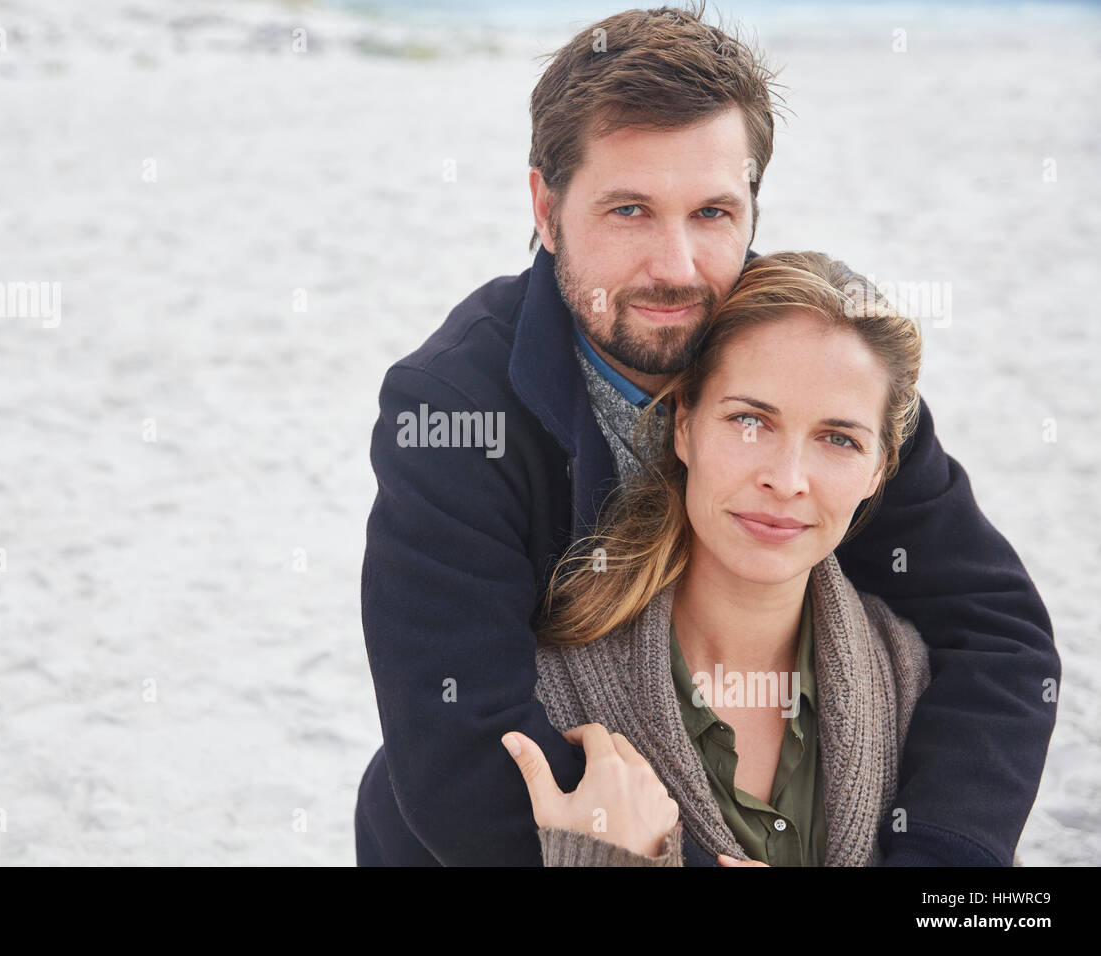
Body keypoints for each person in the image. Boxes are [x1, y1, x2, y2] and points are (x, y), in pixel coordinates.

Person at [354, 4, 1058, 867]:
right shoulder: (452, 409)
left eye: (713, 214)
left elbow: (998, 637)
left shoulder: (818, 363)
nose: (678, 267)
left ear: (753, 208)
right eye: (629, 211)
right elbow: (463, 748)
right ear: (546, 206)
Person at [508, 251, 934, 866]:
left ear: (879, 469)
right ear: (684, 425)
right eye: (749, 421)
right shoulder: (545, 695)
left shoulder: (915, 684)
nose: (786, 480)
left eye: (838, 439)